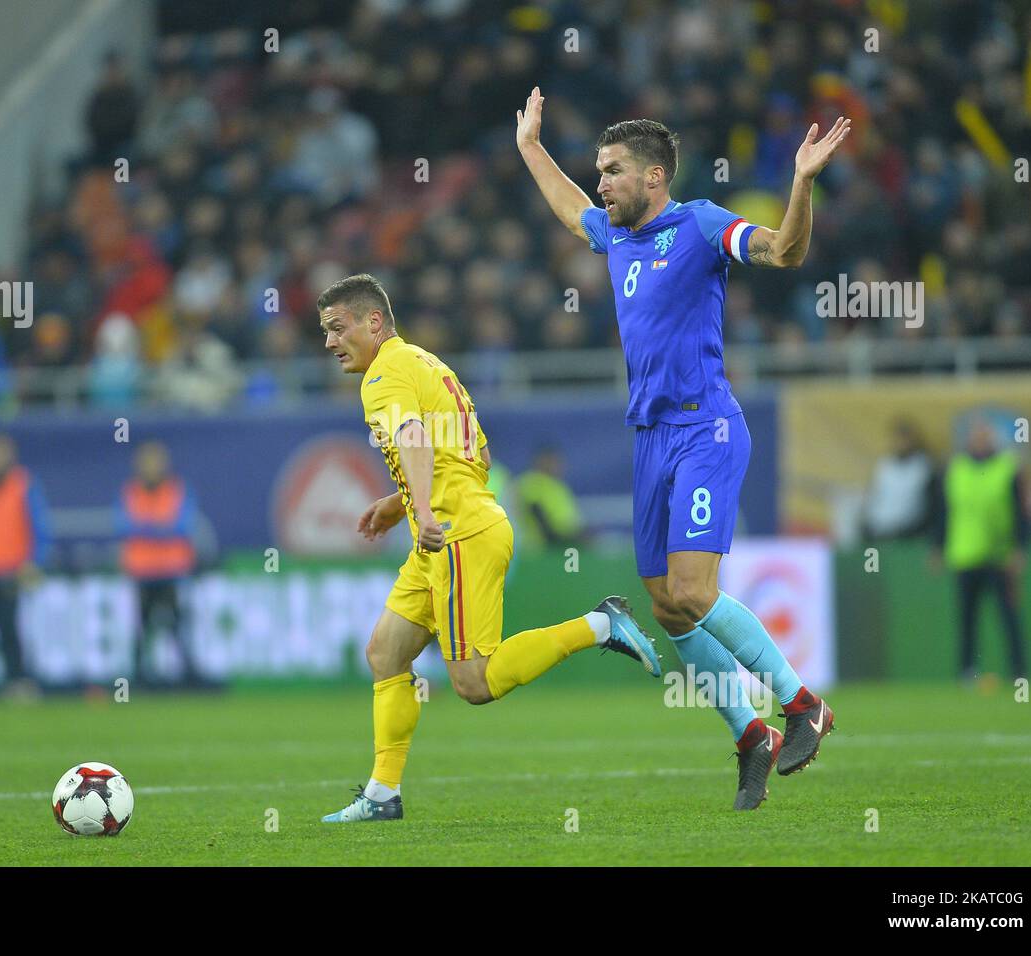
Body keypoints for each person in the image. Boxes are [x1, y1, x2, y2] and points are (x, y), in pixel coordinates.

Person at [518, 87, 848, 809]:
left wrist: (801, 182)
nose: (600, 183)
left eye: (611, 171)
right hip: (650, 438)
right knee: (668, 606)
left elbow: (784, 252)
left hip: (707, 428)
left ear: (654, 177)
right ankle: (750, 735)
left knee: (696, 590)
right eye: (598, 171)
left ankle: (801, 705)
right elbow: (566, 205)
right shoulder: (615, 236)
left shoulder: (699, 227)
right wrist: (530, 149)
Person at [315, 274, 660, 824]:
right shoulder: (428, 364)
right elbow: (465, 456)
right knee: (386, 653)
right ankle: (382, 795)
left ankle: (600, 625)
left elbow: (413, 439)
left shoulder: (383, 375)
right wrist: (399, 501)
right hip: (453, 525)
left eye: (338, 328)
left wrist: (423, 510)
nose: (330, 342)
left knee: (473, 683)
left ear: (373, 322)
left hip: (455, 534)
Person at [931, 417, 1030, 682]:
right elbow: (944, 511)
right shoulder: (956, 469)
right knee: (967, 620)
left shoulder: (1007, 467)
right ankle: (967, 673)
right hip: (965, 555)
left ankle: (1020, 672)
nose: (980, 441)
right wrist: (938, 546)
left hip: (1000, 556)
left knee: (1008, 617)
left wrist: (1020, 548)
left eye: (984, 436)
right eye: (976, 436)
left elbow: (1021, 512)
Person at [0, 434, 51, 696]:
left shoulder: (24, 484)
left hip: (15, 570)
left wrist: (34, 562)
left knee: (14, 625)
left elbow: (39, 526)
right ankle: (11, 677)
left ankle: (20, 677)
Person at [116, 441, 198, 684]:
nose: (151, 467)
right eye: (147, 461)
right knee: (142, 627)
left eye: (156, 461)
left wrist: (146, 527)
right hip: (142, 570)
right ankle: (140, 676)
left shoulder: (178, 490)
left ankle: (188, 675)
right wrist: (160, 528)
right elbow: (123, 525)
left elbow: (183, 525)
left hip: (172, 570)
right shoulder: (130, 491)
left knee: (176, 625)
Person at [863, 419, 938, 540]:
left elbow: (927, 504)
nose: (901, 443)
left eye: (904, 439)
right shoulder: (884, 465)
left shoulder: (922, 466)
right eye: (897, 439)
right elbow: (874, 494)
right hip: (879, 524)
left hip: (907, 528)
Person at [516, 445, 586, 552]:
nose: (554, 466)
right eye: (550, 461)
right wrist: (573, 540)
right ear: (539, 461)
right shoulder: (531, 484)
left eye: (557, 462)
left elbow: (571, 522)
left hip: (562, 548)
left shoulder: (559, 487)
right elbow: (544, 527)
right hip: (539, 551)